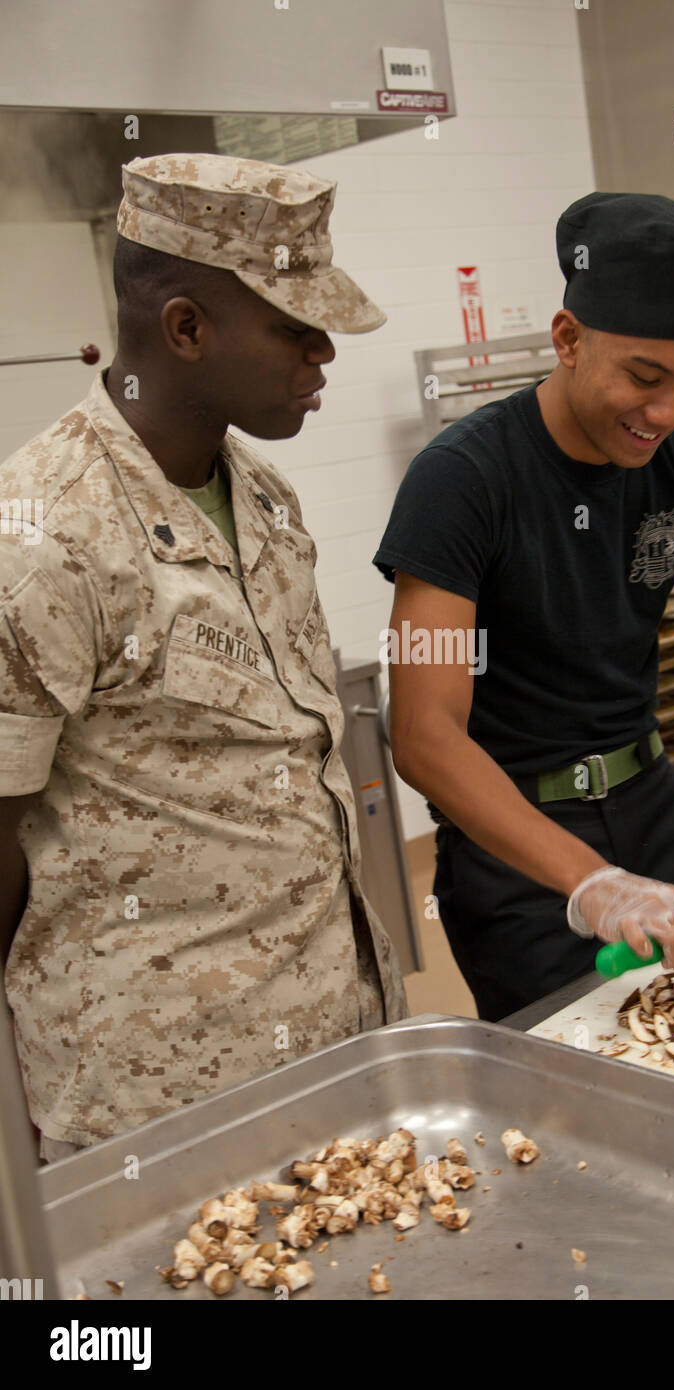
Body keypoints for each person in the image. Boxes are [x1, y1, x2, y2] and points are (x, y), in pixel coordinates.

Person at [0, 153, 407, 1161]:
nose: (322, 352)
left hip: (333, 1039)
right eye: (293, 326)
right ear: (185, 328)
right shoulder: (44, 534)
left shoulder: (266, 498)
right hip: (161, 1102)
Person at [373, 191, 674, 1022]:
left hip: (653, 816)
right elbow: (424, 733)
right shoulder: (463, 481)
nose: (667, 413)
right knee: (582, 1089)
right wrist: (590, 883)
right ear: (568, 340)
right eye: (644, 377)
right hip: (517, 852)